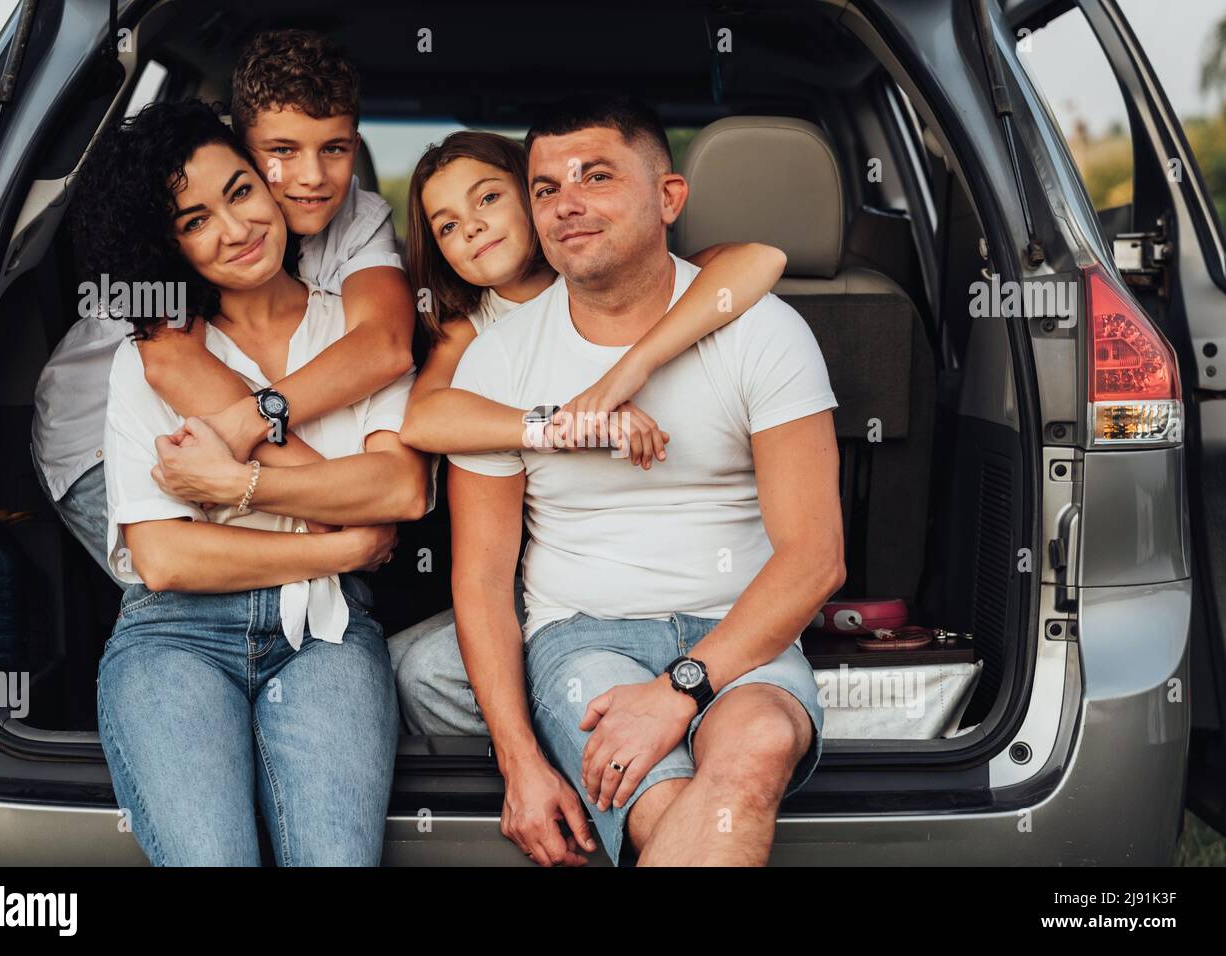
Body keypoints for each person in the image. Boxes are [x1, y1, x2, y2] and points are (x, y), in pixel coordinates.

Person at [445, 95, 844, 866]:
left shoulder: (762, 330)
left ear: (669, 198)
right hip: (583, 633)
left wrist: (680, 688)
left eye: (595, 177)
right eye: (546, 188)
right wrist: (519, 763)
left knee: (757, 742)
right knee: (662, 805)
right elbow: (482, 582)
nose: (568, 205)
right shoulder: (497, 363)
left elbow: (815, 556)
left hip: (743, 626)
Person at [75, 99, 433, 865]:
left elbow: (400, 491)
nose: (235, 230)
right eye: (194, 220)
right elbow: (167, 560)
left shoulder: (358, 333)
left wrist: (234, 485)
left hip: (328, 634)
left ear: (270, 186)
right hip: (175, 637)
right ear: (166, 246)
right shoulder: (153, 356)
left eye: (239, 192)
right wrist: (340, 547)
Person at [388, 129, 789, 735]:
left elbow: (763, 259)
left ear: (537, 198)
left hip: (679, 580)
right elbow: (424, 418)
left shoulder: (623, 270)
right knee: (412, 667)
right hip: (553, 582)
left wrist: (635, 367)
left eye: (488, 199)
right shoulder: (472, 331)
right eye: (445, 226)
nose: (469, 227)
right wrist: (568, 425)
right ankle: (540, 755)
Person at [32, 28, 413, 581]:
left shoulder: (355, 212)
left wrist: (258, 440)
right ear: (242, 148)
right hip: (96, 433)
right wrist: (340, 510)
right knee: (182, 597)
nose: (310, 177)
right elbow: (176, 367)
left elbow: (383, 345)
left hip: (229, 418)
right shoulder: (188, 216)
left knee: (318, 586)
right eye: (281, 152)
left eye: (333, 148)